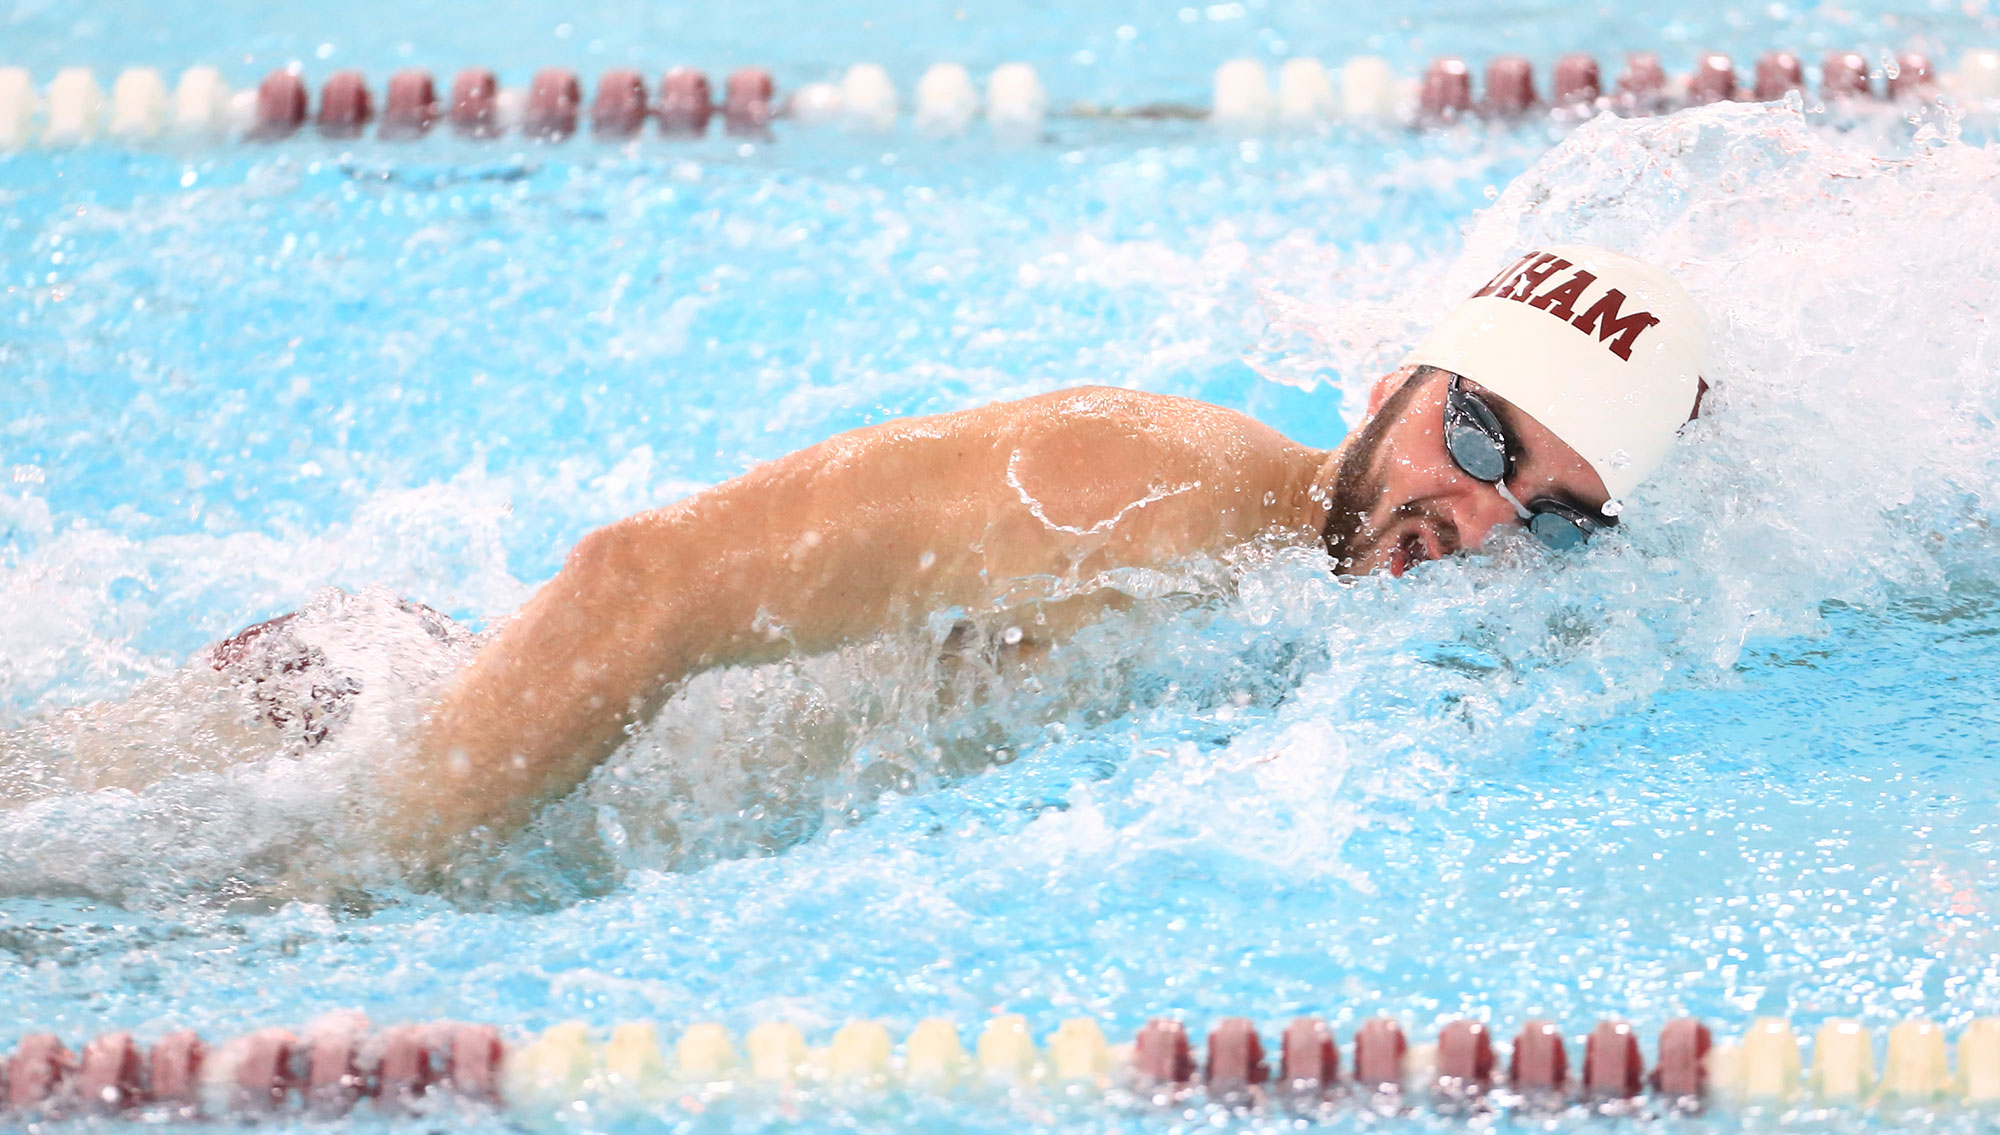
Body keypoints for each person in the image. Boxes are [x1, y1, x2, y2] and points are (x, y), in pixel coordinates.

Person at [10, 245, 1710, 867]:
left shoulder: (1346, 616)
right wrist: (379, 871)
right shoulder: (1138, 483)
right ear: (1393, 382)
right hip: (346, 743)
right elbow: (637, 582)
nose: (1481, 521)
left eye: (1555, 516)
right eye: (1477, 437)